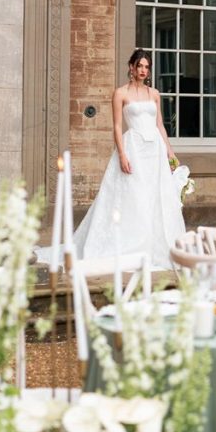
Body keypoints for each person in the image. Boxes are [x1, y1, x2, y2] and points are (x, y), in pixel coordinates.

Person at [74, 48, 186, 268]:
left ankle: (155, 246)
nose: (143, 70)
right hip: (133, 147)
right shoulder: (121, 93)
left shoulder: (154, 94)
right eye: (140, 66)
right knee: (133, 196)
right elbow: (116, 126)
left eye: (147, 67)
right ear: (131, 68)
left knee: (155, 196)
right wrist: (122, 154)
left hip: (154, 150)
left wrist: (169, 151)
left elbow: (160, 125)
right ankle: (130, 245)